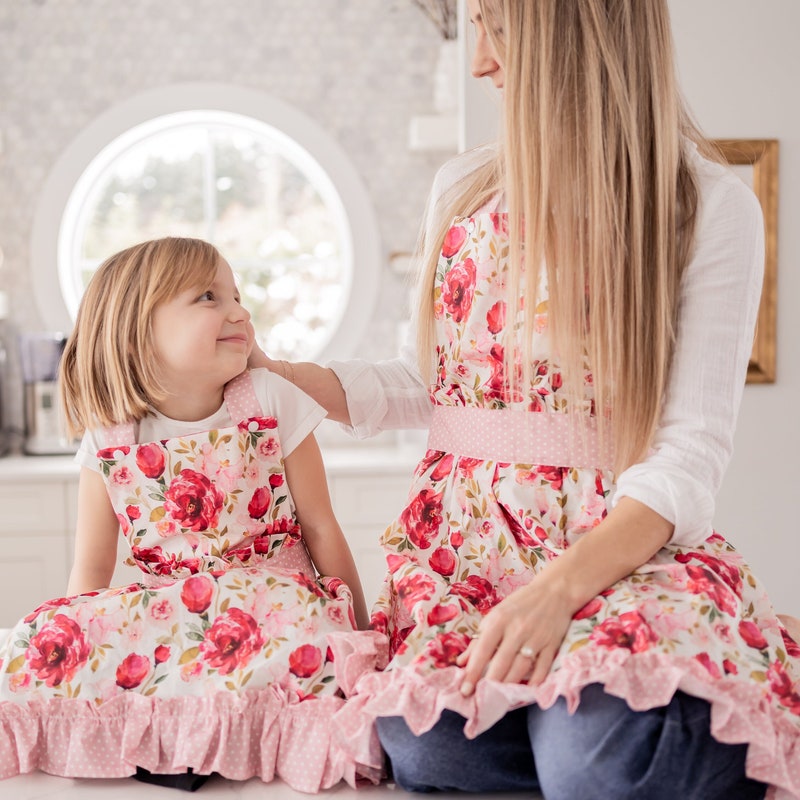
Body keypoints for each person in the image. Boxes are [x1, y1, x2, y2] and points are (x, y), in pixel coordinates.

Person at [252, 2, 800, 798]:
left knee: (594, 764)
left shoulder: (703, 205)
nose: (481, 62)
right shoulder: (461, 190)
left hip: (614, 558)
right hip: (470, 560)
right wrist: (292, 377)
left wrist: (556, 595)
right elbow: (427, 384)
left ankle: (706, 695)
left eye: (497, 28)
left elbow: (688, 455)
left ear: (575, 34)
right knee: (430, 751)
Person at [0, 237, 381, 792]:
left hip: (276, 608)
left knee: (309, 632)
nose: (240, 311)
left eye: (237, 295)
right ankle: (164, 727)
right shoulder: (110, 436)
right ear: (137, 325)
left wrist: (361, 636)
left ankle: (223, 719)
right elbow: (90, 573)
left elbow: (322, 528)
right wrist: (78, 650)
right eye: (208, 296)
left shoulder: (270, 398)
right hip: (181, 617)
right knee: (43, 628)